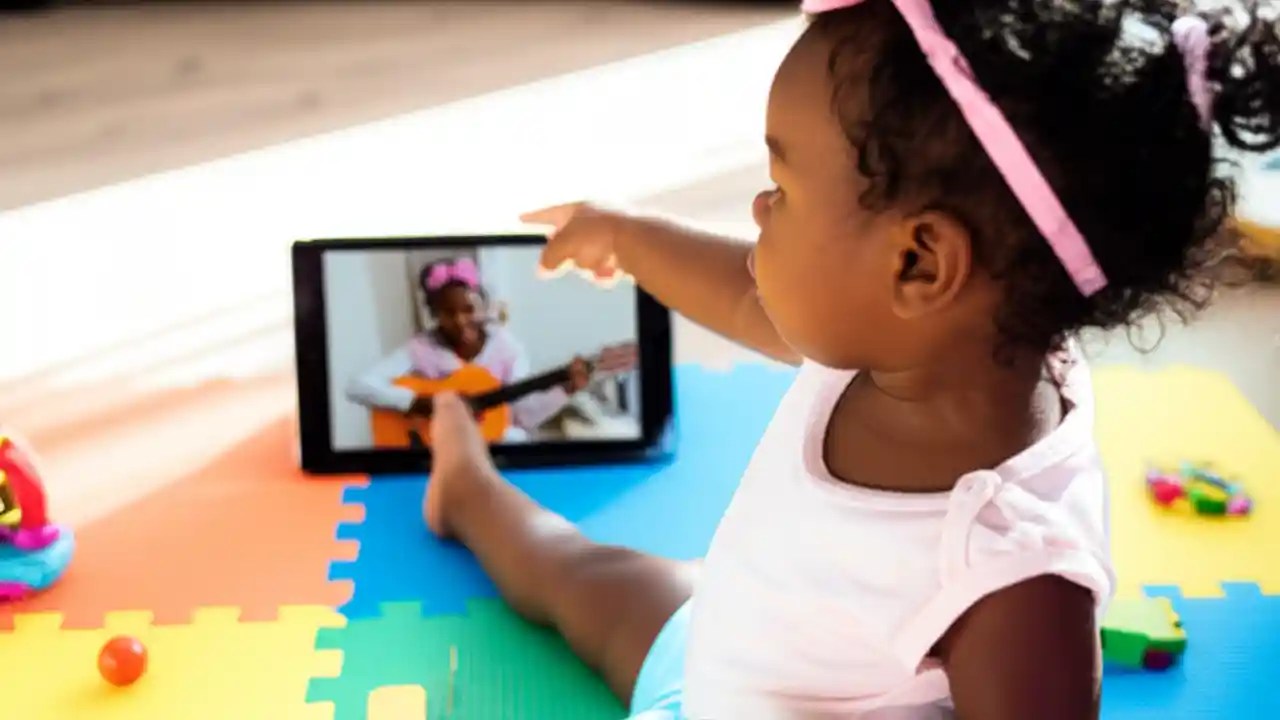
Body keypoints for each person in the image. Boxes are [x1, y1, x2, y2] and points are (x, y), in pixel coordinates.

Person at [421, 1, 1279, 718]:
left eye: (782, 189)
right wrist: (630, 236)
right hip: (728, 643)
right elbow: (751, 295)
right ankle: (466, 489)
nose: (759, 209)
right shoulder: (943, 341)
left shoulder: (1010, 575)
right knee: (584, 574)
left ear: (919, 264)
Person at [345, 257, 633, 442]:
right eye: (448, 313)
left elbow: (522, 416)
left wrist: (565, 389)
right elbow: (358, 386)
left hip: (489, 440)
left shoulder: (507, 350)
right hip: (437, 443)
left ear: (484, 306)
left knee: (515, 439)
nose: (460, 321)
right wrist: (420, 403)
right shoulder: (421, 348)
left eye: (469, 309)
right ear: (433, 314)